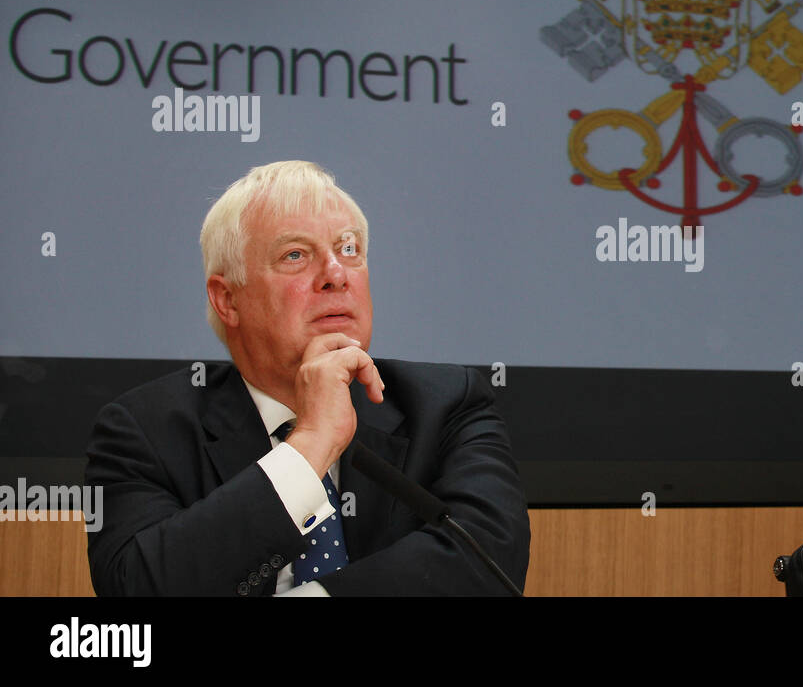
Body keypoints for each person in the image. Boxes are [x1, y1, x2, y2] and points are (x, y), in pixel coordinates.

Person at [85, 161, 530, 596]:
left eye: (349, 249)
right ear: (227, 300)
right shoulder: (144, 431)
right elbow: (137, 589)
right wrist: (311, 442)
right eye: (295, 255)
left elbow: (489, 562)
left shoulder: (446, 404)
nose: (336, 275)